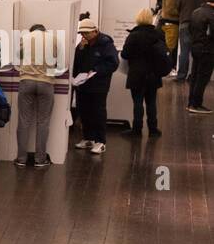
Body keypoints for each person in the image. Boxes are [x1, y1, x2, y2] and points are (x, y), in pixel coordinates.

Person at [72, 18, 119, 154]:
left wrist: (97, 70)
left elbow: (113, 63)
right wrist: (80, 49)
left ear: (95, 31)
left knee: (98, 112)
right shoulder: (83, 44)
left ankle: (100, 141)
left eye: (86, 33)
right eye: (82, 33)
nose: (84, 36)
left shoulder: (106, 44)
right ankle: (88, 138)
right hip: (83, 84)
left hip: (99, 85)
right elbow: (77, 62)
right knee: (84, 111)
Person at [15, 24, 59, 168]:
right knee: (43, 122)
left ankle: (21, 159)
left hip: (26, 81)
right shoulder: (53, 39)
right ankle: (40, 160)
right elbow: (58, 61)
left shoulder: (25, 37)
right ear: (45, 30)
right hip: (46, 82)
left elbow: (18, 56)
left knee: (23, 121)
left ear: (31, 31)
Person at [119, 9, 168, 135]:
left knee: (138, 102)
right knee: (151, 102)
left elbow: (125, 54)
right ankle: (153, 129)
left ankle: (137, 129)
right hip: (153, 74)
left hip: (137, 73)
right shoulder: (158, 34)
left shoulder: (134, 35)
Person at [175, 0, 209, 82]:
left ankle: (181, 76)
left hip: (185, 22)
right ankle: (194, 76)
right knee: (199, 51)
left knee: (184, 51)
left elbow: (177, 5)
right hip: (201, 25)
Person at [187, 0, 214, 115]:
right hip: (208, 49)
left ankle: (191, 103)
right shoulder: (212, 14)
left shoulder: (196, 12)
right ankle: (196, 104)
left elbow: (190, 29)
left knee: (195, 76)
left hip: (196, 47)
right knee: (202, 78)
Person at [157, 0, 182, 69]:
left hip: (169, 23)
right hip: (171, 24)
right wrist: (182, 14)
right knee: (170, 48)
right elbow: (170, 9)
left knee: (169, 47)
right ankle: (166, 68)